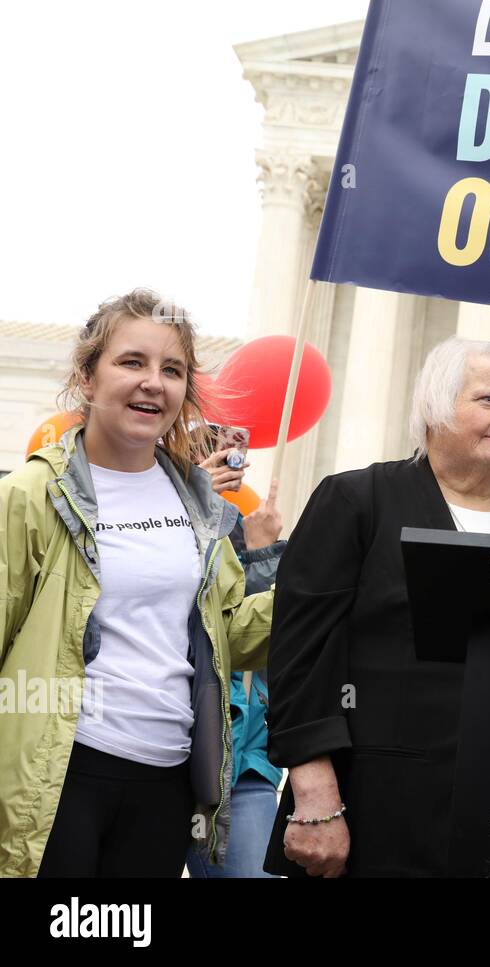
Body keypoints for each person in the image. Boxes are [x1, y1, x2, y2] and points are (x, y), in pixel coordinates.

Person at [264, 337, 490, 877]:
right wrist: (315, 797)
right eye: (489, 400)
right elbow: (300, 657)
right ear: (435, 407)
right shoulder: (358, 501)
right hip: (370, 813)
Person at [0, 289, 273, 877]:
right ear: (87, 377)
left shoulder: (197, 505)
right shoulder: (31, 494)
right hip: (59, 774)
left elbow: (228, 634)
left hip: (167, 784)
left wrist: (321, 588)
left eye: (172, 370)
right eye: (132, 362)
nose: (154, 382)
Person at [185, 441, 286, 879]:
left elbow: (247, 632)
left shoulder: (246, 526)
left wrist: (263, 551)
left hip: (243, 763)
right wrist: (189, 503)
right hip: (160, 752)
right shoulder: (142, 513)